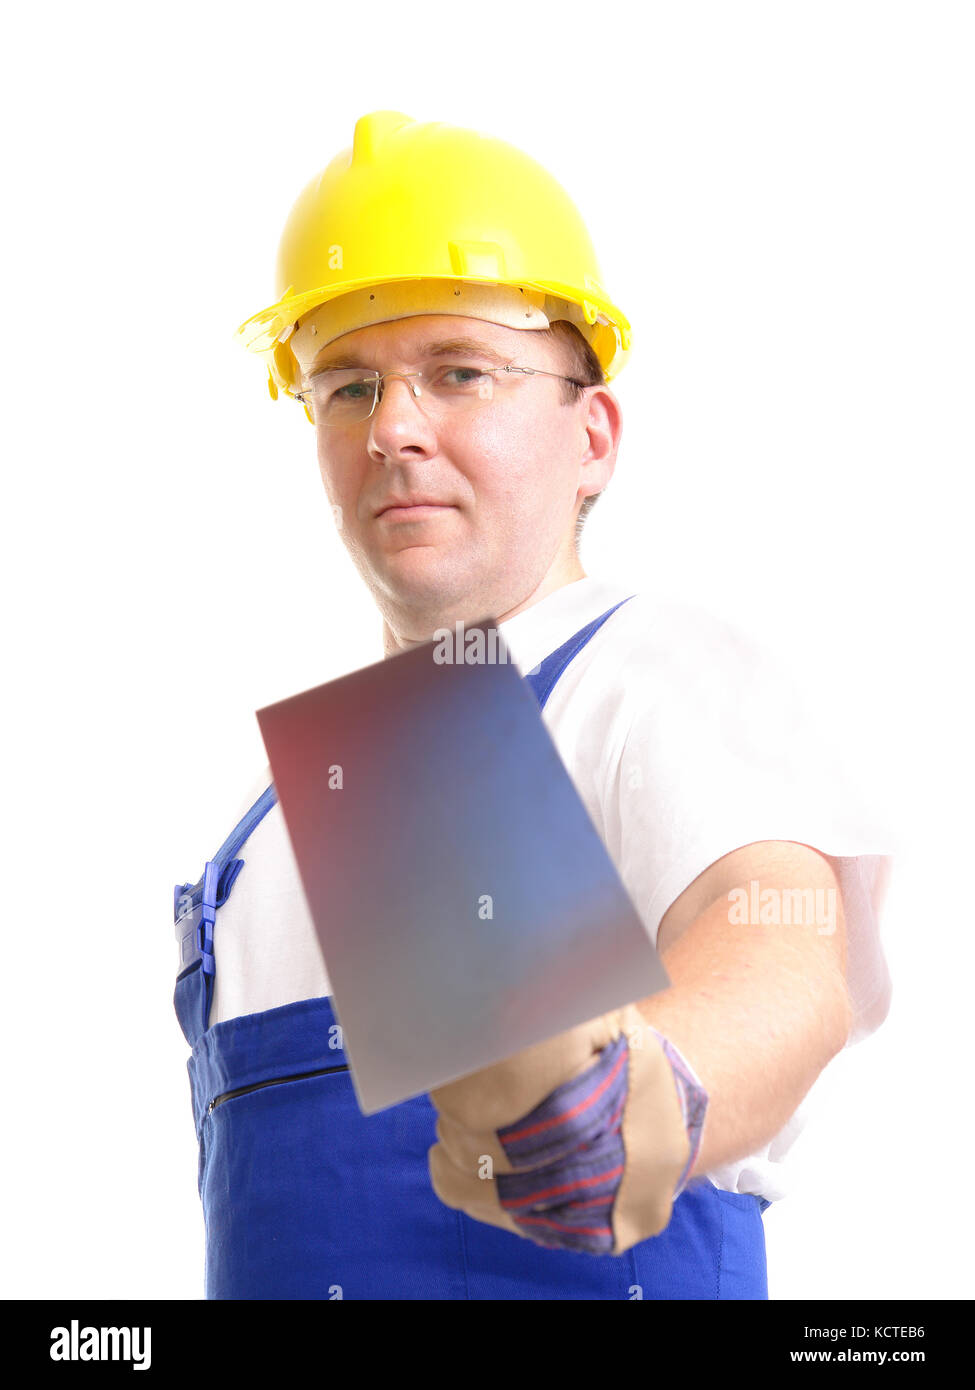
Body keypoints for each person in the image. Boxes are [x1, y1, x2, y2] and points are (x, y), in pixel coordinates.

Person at [173, 110, 894, 1300]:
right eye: (347, 388)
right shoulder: (318, 794)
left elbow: (781, 947)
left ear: (593, 435)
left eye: (459, 370)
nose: (393, 429)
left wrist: (646, 1100)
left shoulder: (651, 670)